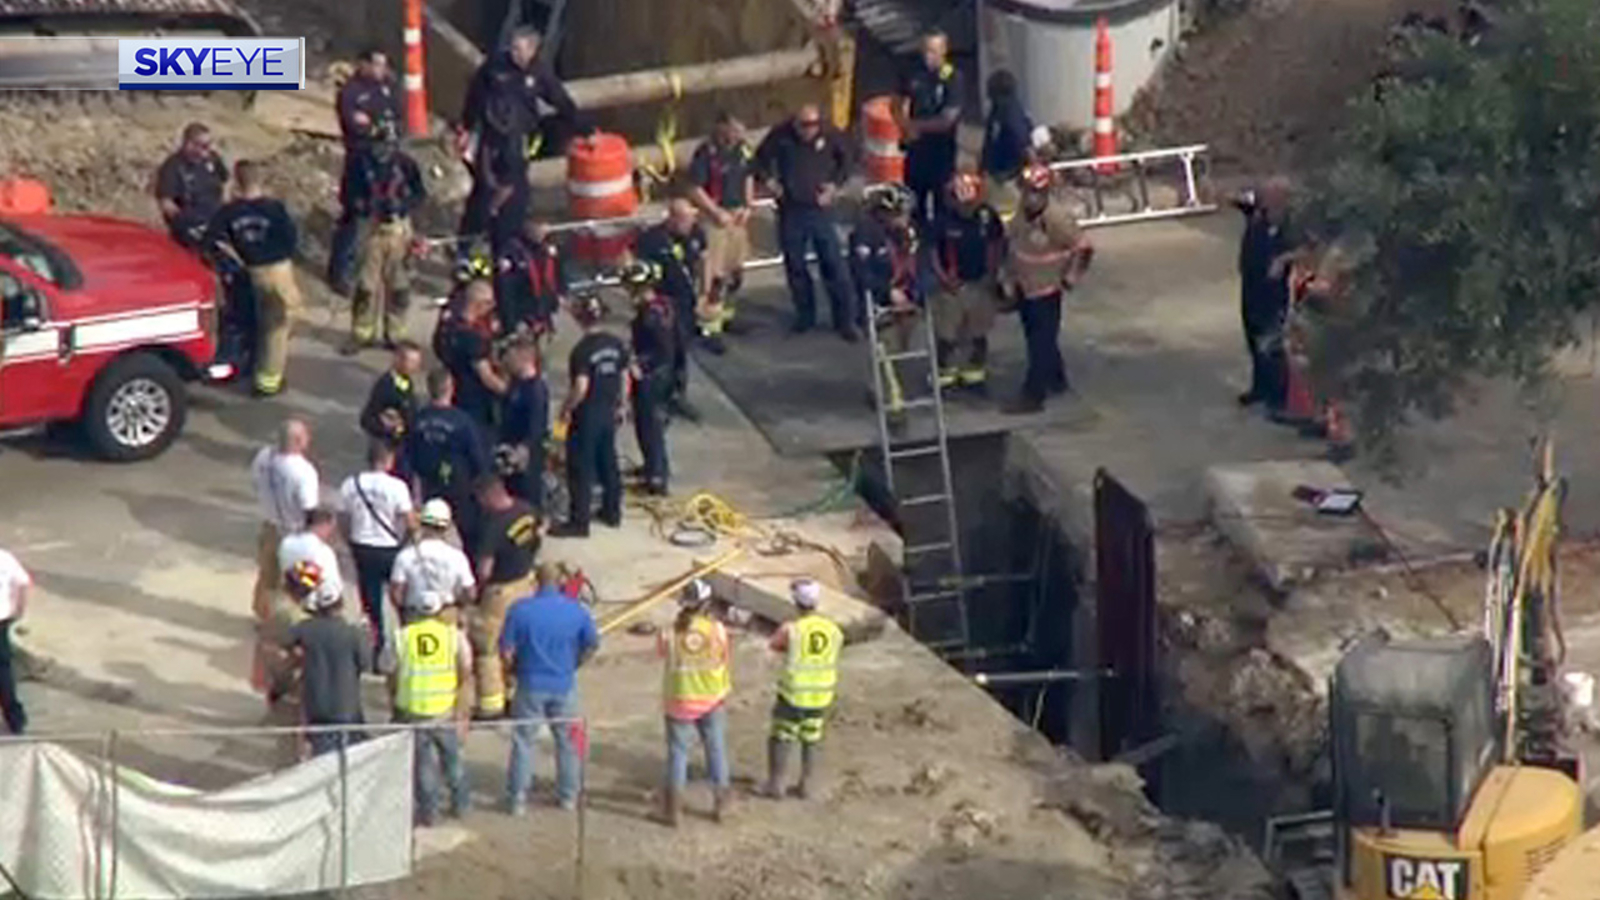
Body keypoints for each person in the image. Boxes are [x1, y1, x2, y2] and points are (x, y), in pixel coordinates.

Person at [458, 27, 579, 259]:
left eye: (519, 49)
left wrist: (581, 128)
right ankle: (467, 245)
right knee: (484, 192)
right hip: (492, 141)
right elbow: (474, 96)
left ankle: (505, 247)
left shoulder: (540, 73)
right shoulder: (494, 67)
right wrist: (465, 126)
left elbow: (561, 101)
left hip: (520, 142)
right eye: (512, 47)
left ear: (532, 50)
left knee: (516, 195)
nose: (513, 53)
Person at [500, 562, 599, 814]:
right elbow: (592, 644)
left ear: (536, 581)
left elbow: (507, 652)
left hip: (530, 683)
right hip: (564, 683)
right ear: (560, 583)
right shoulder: (576, 611)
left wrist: (513, 672)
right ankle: (568, 797)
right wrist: (575, 664)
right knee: (568, 742)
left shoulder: (520, 610)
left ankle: (518, 799)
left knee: (524, 741)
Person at [753, 103, 858, 341]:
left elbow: (848, 160)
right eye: (803, 125)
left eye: (813, 124)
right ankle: (805, 316)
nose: (809, 130)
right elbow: (759, 161)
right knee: (796, 266)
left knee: (833, 264)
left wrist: (834, 186)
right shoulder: (781, 135)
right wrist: (770, 182)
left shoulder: (830, 134)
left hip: (820, 210)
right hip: (791, 209)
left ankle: (845, 320)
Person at [1000, 163, 1094, 414]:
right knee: (1037, 338)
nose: (1029, 198)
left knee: (1040, 344)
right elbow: (1015, 242)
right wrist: (1008, 278)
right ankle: (1056, 379)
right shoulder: (1022, 212)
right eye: (1026, 191)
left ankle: (1033, 395)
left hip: (1046, 289)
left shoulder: (1056, 218)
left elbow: (1083, 247)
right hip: (1025, 286)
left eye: (1035, 193)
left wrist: (1071, 277)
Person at [205, 160, 303, 397]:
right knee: (277, 327)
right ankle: (268, 383)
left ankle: (248, 364)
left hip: (250, 272)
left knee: (253, 321)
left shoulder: (229, 212)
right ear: (261, 180)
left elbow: (211, 241)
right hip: (278, 271)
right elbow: (291, 240)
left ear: (236, 182)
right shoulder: (274, 209)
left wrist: (237, 256)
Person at [390, 588, 472, 827]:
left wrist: (394, 697)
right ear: (439, 611)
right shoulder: (452, 636)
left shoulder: (402, 637)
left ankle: (430, 813)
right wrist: (458, 697)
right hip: (444, 709)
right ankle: (461, 804)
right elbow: (465, 668)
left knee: (424, 766)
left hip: (413, 709)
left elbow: (389, 669)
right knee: (453, 760)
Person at [342, 130, 427, 355]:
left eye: (389, 145)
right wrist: (363, 206)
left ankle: (395, 334)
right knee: (365, 286)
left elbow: (420, 194)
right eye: (379, 144)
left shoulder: (406, 164)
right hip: (370, 228)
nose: (383, 150)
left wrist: (402, 205)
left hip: (399, 229)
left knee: (399, 286)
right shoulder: (359, 164)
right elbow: (346, 195)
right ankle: (361, 333)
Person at [551, 292, 628, 538]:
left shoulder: (582, 351)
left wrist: (566, 408)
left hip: (587, 415)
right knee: (608, 462)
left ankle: (579, 522)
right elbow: (624, 377)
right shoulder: (616, 344)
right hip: (608, 410)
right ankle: (612, 512)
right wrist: (622, 405)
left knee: (581, 467)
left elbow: (581, 387)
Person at [658, 578, 732, 826]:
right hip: (711, 699)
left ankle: (673, 811)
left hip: (679, 700)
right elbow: (724, 658)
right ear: (706, 603)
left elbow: (662, 654)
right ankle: (721, 805)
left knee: (678, 754)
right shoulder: (717, 630)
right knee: (716, 749)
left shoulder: (669, 632)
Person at [760, 579, 843, 800]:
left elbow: (774, 646)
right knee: (811, 738)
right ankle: (807, 784)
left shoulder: (792, 629)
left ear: (796, 602)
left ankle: (776, 784)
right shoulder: (833, 630)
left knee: (781, 736)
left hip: (794, 694)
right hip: (821, 694)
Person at [329, 47, 402, 294]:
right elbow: (355, 124)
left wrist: (378, 126)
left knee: (387, 216)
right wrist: (374, 128)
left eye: (383, 65)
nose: (380, 70)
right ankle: (341, 273)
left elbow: (396, 119)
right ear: (363, 64)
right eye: (376, 64)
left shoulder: (388, 89)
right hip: (360, 161)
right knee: (354, 217)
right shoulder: (351, 92)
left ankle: (379, 271)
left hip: (387, 161)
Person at [850, 183, 923, 422]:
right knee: (885, 352)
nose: (905, 218)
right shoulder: (865, 234)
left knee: (900, 350)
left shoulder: (908, 233)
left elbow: (916, 263)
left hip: (907, 304)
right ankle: (893, 405)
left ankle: (877, 387)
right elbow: (861, 273)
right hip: (877, 304)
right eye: (902, 213)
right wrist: (887, 291)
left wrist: (914, 292)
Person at [471, 474, 541, 719]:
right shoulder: (526, 510)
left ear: (487, 496)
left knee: (488, 646)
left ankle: (492, 705)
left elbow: (485, 569)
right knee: (518, 643)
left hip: (500, 592)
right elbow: (540, 533)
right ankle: (516, 694)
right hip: (526, 584)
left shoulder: (494, 526)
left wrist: (478, 590)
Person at [340, 441, 416, 665]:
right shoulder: (397, 487)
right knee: (400, 598)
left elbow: (343, 519)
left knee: (371, 602)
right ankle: (406, 641)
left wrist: (349, 541)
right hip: (389, 547)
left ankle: (375, 647)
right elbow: (410, 522)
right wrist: (403, 543)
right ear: (388, 461)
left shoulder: (351, 484)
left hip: (362, 546)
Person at [931, 172, 1005, 391]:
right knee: (947, 333)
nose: (966, 208)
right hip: (952, 286)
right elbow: (932, 251)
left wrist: (992, 274)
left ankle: (975, 374)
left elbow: (996, 243)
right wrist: (943, 278)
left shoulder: (987, 216)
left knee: (978, 332)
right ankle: (944, 374)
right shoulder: (943, 219)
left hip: (981, 283)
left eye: (970, 203)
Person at [406, 368, 492, 555]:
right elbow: (477, 456)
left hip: (428, 484)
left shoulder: (419, 419)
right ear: (451, 389)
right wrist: (483, 480)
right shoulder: (462, 421)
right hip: (458, 486)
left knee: (431, 530)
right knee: (468, 534)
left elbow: (409, 454)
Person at [635, 196, 707, 416]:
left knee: (681, 350)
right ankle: (652, 397)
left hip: (685, 303)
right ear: (672, 218)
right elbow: (631, 264)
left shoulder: (695, 233)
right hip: (662, 305)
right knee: (660, 353)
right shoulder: (652, 239)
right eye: (684, 220)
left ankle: (678, 394)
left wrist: (705, 291)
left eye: (691, 219)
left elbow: (704, 259)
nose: (689, 224)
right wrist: (646, 296)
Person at [687, 112, 756, 340]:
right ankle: (708, 324)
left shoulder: (742, 150)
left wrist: (748, 206)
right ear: (721, 128)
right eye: (733, 130)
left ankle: (727, 316)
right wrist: (715, 212)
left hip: (737, 217)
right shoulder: (706, 153)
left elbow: (748, 175)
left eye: (740, 131)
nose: (737, 135)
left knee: (734, 272)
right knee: (713, 275)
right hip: (715, 219)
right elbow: (694, 188)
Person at [290, 573, 372, 757]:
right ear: (341, 603)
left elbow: (282, 643)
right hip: (347, 707)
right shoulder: (353, 633)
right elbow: (366, 664)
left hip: (316, 706)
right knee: (351, 759)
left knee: (323, 760)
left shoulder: (305, 629)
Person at [1234, 178, 1297, 416]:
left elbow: (1305, 248)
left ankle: (1278, 395)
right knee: (1252, 336)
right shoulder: (1257, 214)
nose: (1265, 199)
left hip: (1272, 289)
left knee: (1271, 340)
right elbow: (1235, 198)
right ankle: (1259, 387)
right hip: (1250, 283)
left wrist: (1282, 260)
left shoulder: (1289, 224)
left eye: (1271, 195)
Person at [250, 419, 319, 624]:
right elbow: (309, 508)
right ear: (297, 441)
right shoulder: (304, 471)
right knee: (297, 581)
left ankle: (262, 617)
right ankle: (286, 622)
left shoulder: (263, 457)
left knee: (267, 575)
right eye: (305, 436)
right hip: (294, 530)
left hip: (270, 524)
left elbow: (255, 482)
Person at [898, 31, 963, 227]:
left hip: (941, 153)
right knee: (913, 204)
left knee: (943, 207)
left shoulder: (952, 78)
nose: (929, 56)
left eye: (934, 51)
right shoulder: (914, 72)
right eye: (926, 50)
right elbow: (897, 101)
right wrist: (903, 125)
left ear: (944, 51)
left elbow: (947, 120)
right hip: (916, 152)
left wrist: (915, 126)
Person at [625, 260, 674, 496]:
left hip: (653, 377)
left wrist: (640, 365)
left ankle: (656, 477)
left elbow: (662, 349)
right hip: (661, 374)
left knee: (650, 426)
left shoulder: (651, 316)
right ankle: (652, 466)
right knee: (648, 426)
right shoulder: (662, 307)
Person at [389, 499, 478, 620]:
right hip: (447, 615)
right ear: (447, 527)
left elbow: (396, 596)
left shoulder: (405, 556)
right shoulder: (458, 557)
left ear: (421, 524)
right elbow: (470, 594)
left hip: (414, 616)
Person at [440, 279, 508, 434]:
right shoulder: (472, 337)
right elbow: (486, 377)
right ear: (479, 304)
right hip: (474, 401)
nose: (491, 308)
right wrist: (509, 391)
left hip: (452, 391)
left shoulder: (449, 326)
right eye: (489, 303)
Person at [154, 121, 228, 248]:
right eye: (203, 146)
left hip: (217, 223)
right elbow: (166, 203)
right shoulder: (173, 166)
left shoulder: (213, 159)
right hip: (191, 229)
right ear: (189, 144)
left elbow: (225, 180)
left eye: (209, 144)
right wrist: (184, 223)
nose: (207, 149)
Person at [497, 339, 549, 512]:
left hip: (526, 454)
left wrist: (523, 449)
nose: (507, 361)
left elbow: (536, 425)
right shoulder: (515, 383)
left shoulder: (536, 389)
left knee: (527, 498)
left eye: (511, 357)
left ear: (523, 358)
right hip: (509, 447)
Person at [359, 340, 425, 475]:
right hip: (389, 452)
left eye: (417, 362)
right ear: (398, 359)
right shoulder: (386, 386)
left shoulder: (405, 382)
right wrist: (389, 428)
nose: (416, 367)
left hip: (403, 449)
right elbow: (367, 419)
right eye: (411, 362)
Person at [494, 218, 568, 338]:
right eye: (537, 228)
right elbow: (506, 289)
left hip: (547, 307)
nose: (541, 232)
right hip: (523, 309)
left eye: (543, 229)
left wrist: (562, 293)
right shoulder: (512, 250)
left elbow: (559, 271)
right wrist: (511, 322)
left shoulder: (549, 247)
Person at [979, 69, 1036, 223]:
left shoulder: (1009, 113)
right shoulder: (1001, 111)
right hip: (1002, 173)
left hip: (1007, 175)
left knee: (1006, 214)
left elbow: (1021, 142)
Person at [277, 507, 344, 604]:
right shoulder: (323, 551)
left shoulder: (286, 542)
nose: (330, 533)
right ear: (325, 525)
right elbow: (330, 585)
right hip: (320, 602)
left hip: (292, 598)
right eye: (330, 528)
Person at [0, 545, 32, 735]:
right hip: (1, 621)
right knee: (3, 671)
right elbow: (23, 584)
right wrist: (18, 611)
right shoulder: (4, 558)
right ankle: (15, 720)